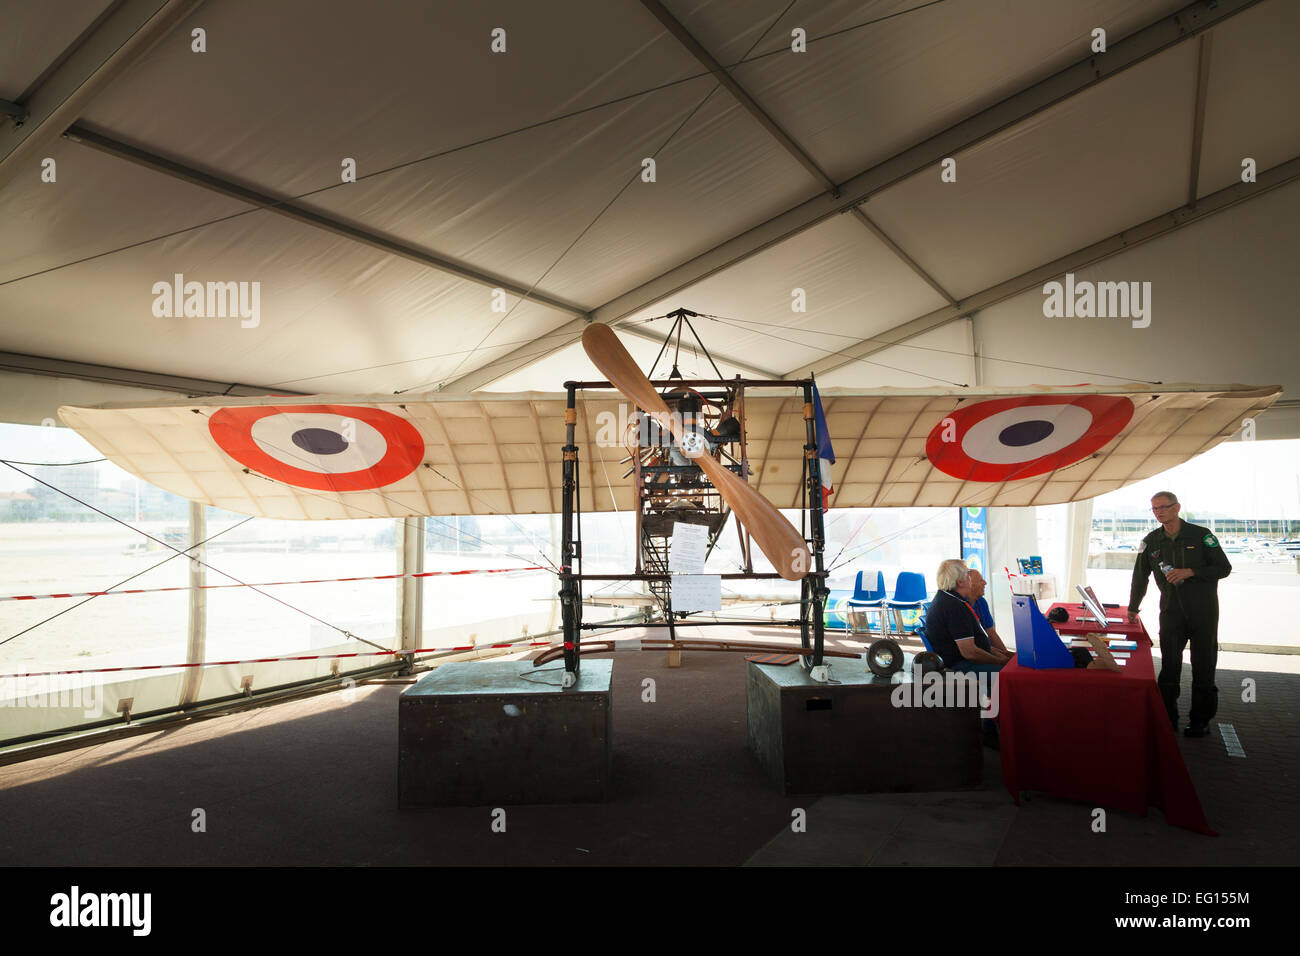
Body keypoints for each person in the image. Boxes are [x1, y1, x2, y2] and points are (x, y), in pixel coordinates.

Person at [1128, 491, 1232, 738]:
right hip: (1171, 613)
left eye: (1164, 507)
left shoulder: (1201, 535)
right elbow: (1139, 577)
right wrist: (1133, 607)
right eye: (1154, 509)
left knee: (1204, 669)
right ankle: (1168, 720)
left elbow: (1224, 568)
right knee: (1169, 669)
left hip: (1203, 613)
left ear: (1177, 507)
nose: (1159, 512)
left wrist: (1191, 572)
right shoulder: (1151, 541)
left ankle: (1200, 722)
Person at [922, 560, 1014, 673]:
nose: (970, 576)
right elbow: (969, 652)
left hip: (963, 662)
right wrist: (999, 661)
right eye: (967, 573)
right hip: (960, 666)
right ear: (960, 582)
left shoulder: (949, 599)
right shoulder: (953, 606)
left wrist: (1002, 654)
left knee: (1013, 665)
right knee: (1014, 674)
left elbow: (976, 645)